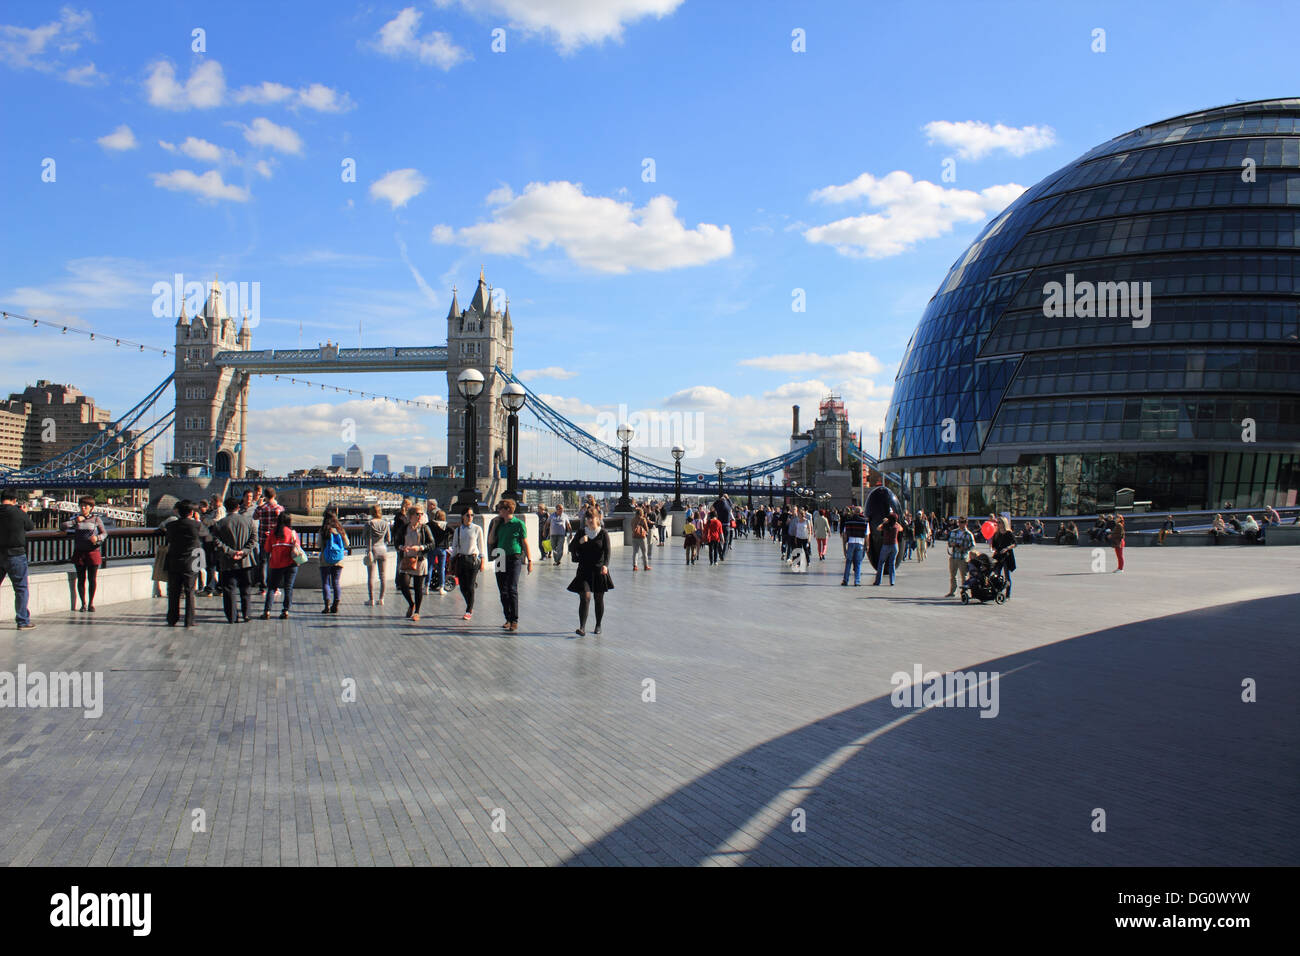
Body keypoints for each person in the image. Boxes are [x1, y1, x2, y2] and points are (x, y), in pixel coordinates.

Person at [487, 499, 532, 632]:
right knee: (502, 590)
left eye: (500, 508)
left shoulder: (518, 524)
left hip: (514, 557)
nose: (498, 510)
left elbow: (525, 542)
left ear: (507, 510)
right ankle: (507, 617)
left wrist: (529, 561)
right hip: (500, 555)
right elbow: (491, 541)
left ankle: (514, 620)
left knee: (512, 588)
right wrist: (494, 526)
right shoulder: (498, 523)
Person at [210, 496, 256, 624]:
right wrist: (244, 551)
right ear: (238, 507)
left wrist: (230, 552)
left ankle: (232, 616)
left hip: (227, 562)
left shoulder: (220, 523)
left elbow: (216, 541)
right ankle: (246, 614)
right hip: (246, 561)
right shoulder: (249, 521)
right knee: (245, 589)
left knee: (229, 590)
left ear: (226, 507)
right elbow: (253, 539)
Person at [568, 510, 613, 636]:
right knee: (585, 596)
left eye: (591, 518)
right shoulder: (582, 533)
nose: (588, 520)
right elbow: (571, 547)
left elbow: (608, 551)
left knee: (598, 598)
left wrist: (606, 565)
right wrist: (580, 541)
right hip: (584, 570)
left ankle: (598, 625)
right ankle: (582, 627)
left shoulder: (603, 533)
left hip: (599, 570)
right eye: (587, 518)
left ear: (597, 519)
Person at [163, 500, 207, 627]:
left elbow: (168, 539)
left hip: (174, 561)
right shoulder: (196, 525)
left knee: (173, 592)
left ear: (179, 512)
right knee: (190, 592)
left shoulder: (171, 526)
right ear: (192, 512)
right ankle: (189, 620)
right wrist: (198, 521)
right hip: (191, 562)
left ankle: (172, 618)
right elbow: (207, 536)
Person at [0, 488, 36, 630]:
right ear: (15, 500)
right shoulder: (18, 513)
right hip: (16, 555)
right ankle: (22, 621)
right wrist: (24, 513)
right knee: (21, 588)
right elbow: (30, 526)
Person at [64, 496, 107, 612]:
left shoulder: (96, 519)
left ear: (91, 507)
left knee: (92, 579)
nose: (83, 508)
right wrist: (75, 521)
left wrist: (97, 538)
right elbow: (62, 526)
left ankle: (91, 603)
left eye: (86, 506)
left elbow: (104, 533)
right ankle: (83, 603)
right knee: (81, 579)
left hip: (92, 552)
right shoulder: (76, 517)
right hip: (79, 552)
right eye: (81, 505)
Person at [397, 505, 434, 621]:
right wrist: (402, 547)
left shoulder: (424, 528)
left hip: (420, 560)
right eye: (417, 514)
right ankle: (411, 603)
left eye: (421, 514)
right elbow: (397, 542)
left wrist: (421, 548)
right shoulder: (404, 528)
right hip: (407, 559)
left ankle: (417, 611)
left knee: (418, 587)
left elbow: (432, 544)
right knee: (403, 583)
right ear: (411, 516)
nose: (420, 516)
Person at [261, 512, 301, 619]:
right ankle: (285, 611)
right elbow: (298, 548)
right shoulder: (292, 533)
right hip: (291, 564)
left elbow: (267, 549)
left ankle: (267, 611)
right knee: (288, 588)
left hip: (276, 564)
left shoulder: (273, 533)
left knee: (271, 588)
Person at [448, 507, 485, 620]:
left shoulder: (477, 529)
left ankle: (469, 609)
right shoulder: (458, 530)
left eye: (472, 515)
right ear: (463, 516)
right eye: (468, 515)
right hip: (461, 560)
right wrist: (451, 561)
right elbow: (454, 546)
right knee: (463, 587)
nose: (470, 517)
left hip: (473, 560)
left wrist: (482, 560)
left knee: (470, 586)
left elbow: (481, 545)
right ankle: (469, 603)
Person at [316, 508, 350, 614]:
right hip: (338, 560)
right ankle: (336, 604)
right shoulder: (340, 530)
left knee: (326, 583)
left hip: (325, 559)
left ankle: (326, 605)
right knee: (336, 582)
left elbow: (319, 545)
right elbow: (347, 544)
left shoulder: (323, 530)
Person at [253, 488, 284, 594]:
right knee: (275, 563)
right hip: (276, 540)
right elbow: (283, 523)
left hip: (263, 539)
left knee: (263, 562)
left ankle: (263, 587)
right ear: (274, 495)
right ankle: (275, 587)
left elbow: (254, 517)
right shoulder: (279, 508)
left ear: (265, 496)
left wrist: (259, 504)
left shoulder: (261, 508)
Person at [364, 504, 390, 606]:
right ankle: (381, 599)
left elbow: (364, 536)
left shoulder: (369, 523)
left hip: (372, 550)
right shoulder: (385, 523)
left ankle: (371, 600)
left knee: (371, 576)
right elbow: (389, 538)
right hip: (383, 549)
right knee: (383, 576)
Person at [946, 517, 976, 598]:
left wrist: (965, 548)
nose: (960, 524)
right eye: (959, 522)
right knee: (953, 575)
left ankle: (964, 592)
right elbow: (949, 542)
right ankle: (952, 591)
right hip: (954, 556)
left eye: (962, 522)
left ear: (966, 523)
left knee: (964, 576)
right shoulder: (954, 532)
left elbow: (973, 546)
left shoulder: (969, 534)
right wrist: (952, 544)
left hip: (963, 557)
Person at [839, 505, 868, 586]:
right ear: (861, 512)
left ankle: (845, 580)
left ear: (854, 512)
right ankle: (857, 581)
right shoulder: (865, 521)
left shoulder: (848, 521)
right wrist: (867, 546)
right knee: (858, 563)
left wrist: (844, 547)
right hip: (860, 543)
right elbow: (866, 535)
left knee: (848, 562)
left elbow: (845, 535)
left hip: (851, 542)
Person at [991, 515, 1018, 597]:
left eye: (999, 522)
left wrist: (1007, 548)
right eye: (997, 522)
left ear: (1004, 523)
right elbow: (994, 545)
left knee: (1007, 575)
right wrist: (995, 549)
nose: (998, 524)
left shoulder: (1009, 533)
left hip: (1006, 556)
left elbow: (1015, 543)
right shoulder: (996, 534)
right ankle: (997, 591)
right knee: (996, 574)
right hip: (998, 556)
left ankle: (1007, 594)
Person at [873, 513, 899, 586]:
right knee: (892, 563)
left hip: (886, 545)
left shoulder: (885, 526)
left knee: (881, 563)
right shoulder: (896, 526)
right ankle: (892, 581)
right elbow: (901, 528)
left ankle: (878, 581)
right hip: (894, 545)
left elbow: (878, 528)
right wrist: (895, 521)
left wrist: (884, 522)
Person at [631, 507, 652, 571]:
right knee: (644, 552)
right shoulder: (643, 519)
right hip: (642, 538)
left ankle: (635, 566)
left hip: (634, 537)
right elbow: (647, 529)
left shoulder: (633, 519)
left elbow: (632, 527)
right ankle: (646, 566)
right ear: (641, 513)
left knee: (635, 552)